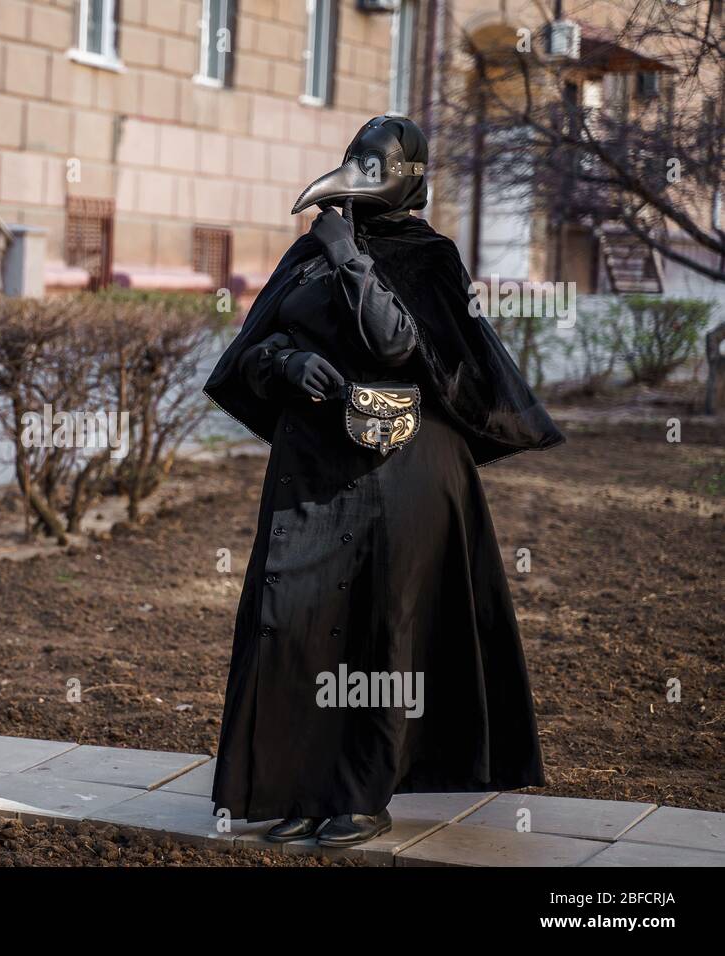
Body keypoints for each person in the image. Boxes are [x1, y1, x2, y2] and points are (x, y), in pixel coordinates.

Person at [203, 116, 565, 846]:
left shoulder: (430, 259)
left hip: (403, 471)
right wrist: (285, 364)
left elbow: (398, 344)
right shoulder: (308, 253)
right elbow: (252, 349)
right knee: (298, 624)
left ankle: (361, 792)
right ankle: (301, 785)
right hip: (313, 470)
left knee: (382, 634)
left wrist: (349, 258)